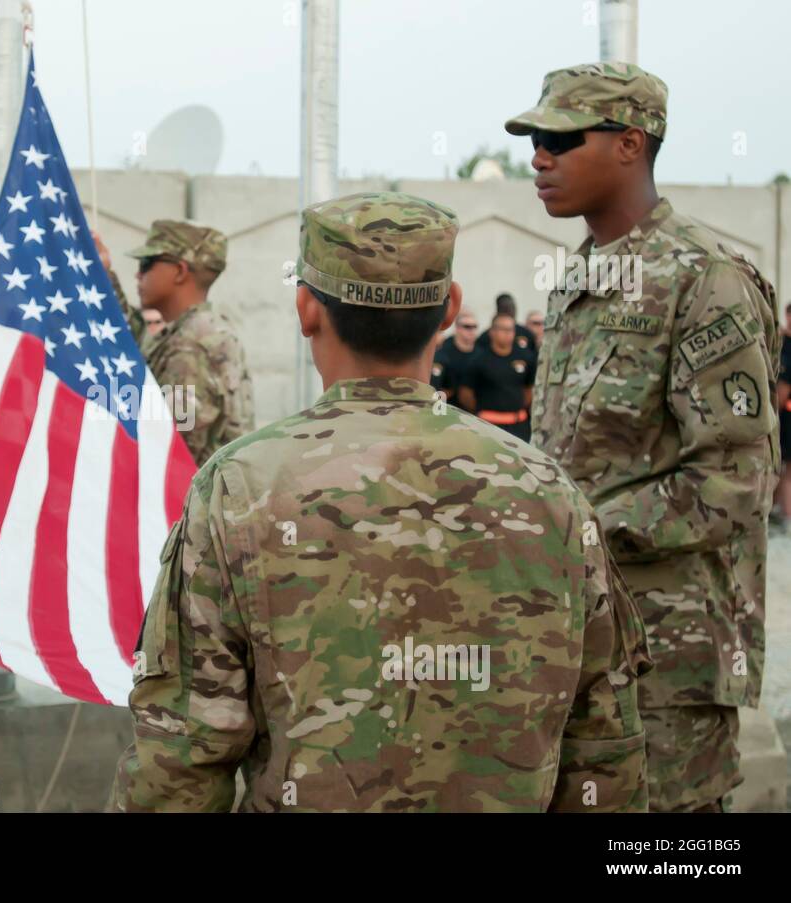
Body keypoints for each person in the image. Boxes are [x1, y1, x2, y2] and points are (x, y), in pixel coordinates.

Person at [110, 191, 651, 812]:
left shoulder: (238, 489)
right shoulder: (551, 492)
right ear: (450, 309)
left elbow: (181, 758)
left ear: (306, 308)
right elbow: (605, 752)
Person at [506, 62, 779, 811]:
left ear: (631, 144)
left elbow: (734, 481)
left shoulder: (702, 278)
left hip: (669, 661)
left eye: (561, 138)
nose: (540, 157)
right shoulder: (583, 277)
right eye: (536, 140)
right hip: (582, 640)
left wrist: (581, 531)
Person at [95, 222, 254, 466]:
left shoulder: (192, 343)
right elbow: (132, 337)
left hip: (188, 499)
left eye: (146, 265)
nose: (138, 274)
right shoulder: (193, 329)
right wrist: (104, 274)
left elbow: (171, 451)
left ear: (180, 271)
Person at [458, 312, 535, 440]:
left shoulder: (525, 358)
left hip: (519, 426)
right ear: (492, 332)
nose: (507, 333)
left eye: (510, 329)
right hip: (487, 425)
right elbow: (465, 394)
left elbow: (528, 390)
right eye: (502, 329)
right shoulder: (478, 360)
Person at [429, 307, 479, 405]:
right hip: (448, 406)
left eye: (474, 326)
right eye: (467, 326)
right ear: (457, 328)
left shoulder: (481, 353)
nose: (471, 330)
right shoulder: (444, 351)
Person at [776, 303, 791, 528]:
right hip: (785, 416)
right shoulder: (782, 345)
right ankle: (787, 516)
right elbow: (782, 389)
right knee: (785, 466)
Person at [492, 293, 538, 364]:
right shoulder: (488, 335)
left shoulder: (526, 333)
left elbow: (534, 357)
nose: (511, 311)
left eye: (512, 307)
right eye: (505, 309)